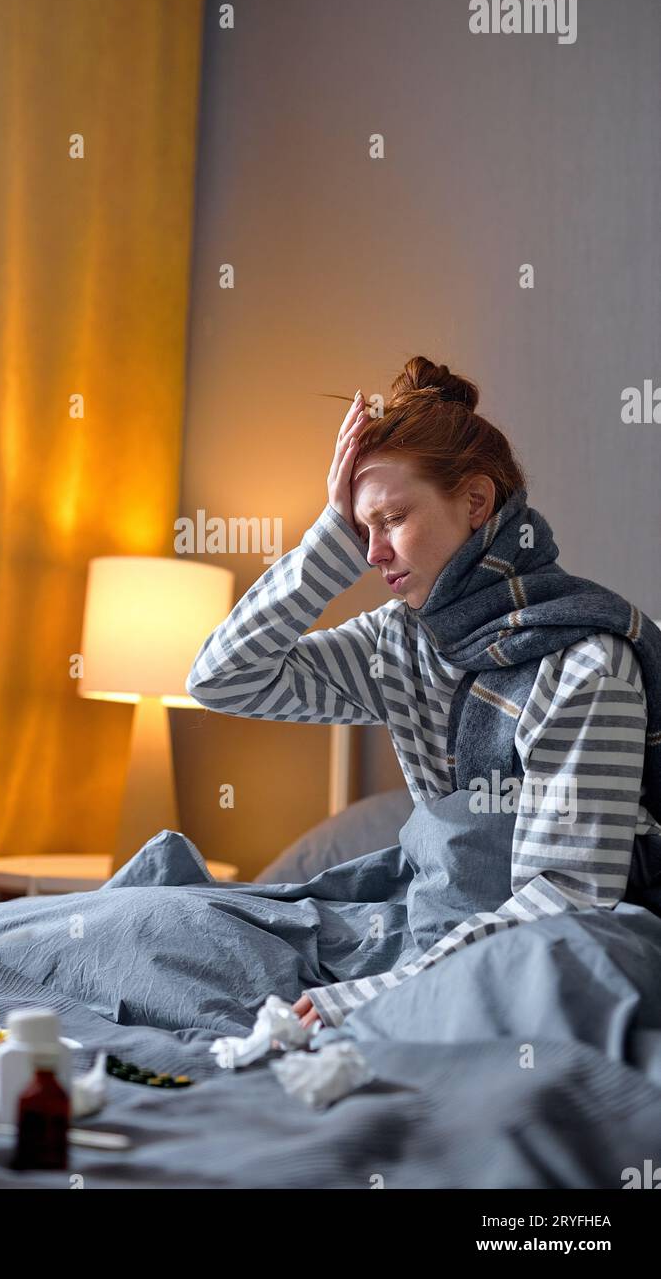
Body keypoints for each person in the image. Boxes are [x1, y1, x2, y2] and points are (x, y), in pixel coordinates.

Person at [185, 356, 661, 1030]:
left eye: (391, 519)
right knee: (168, 919)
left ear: (475, 502)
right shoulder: (400, 644)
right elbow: (221, 678)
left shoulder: (587, 663)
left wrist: (375, 997)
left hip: (531, 961)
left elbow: (563, 905)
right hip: (422, 926)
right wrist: (331, 535)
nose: (372, 553)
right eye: (361, 529)